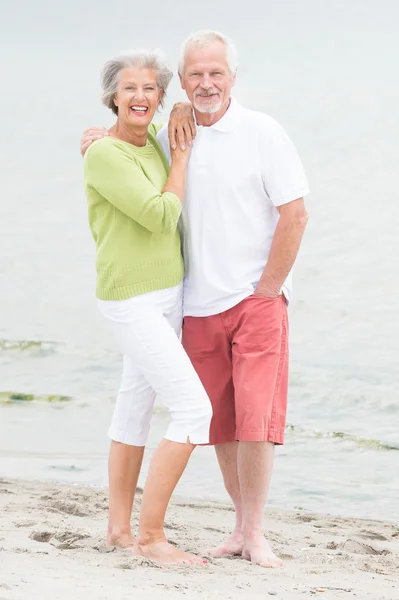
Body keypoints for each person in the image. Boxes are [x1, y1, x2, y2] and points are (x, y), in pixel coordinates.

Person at [81, 30, 309, 569]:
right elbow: (140, 174)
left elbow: (295, 214)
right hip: (191, 303)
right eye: (195, 76)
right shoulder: (166, 138)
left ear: (233, 77)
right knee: (214, 418)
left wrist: (268, 290)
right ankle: (177, 533)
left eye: (217, 73)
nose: (206, 84)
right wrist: (103, 140)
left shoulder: (256, 132)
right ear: (180, 82)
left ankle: (242, 531)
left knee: (250, 420)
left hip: (249, 297)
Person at [83, 48, 212, 566]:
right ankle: (152, 536)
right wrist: (180, 158)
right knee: (194, 410)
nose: (140, 96)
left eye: (149, 89)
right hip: (131, 298)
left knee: (134, 406)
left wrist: (180, 112)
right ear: (112, 97)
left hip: (167, 294)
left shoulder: (150, 142)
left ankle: (119, 529)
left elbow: (181, 109)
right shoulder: (106, 154)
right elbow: (160, 216)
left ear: (160, 97)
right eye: (129, 88)